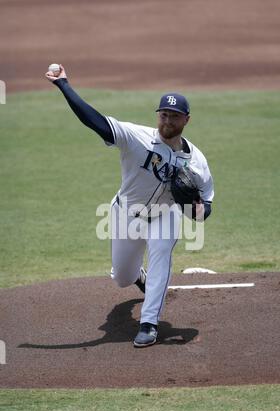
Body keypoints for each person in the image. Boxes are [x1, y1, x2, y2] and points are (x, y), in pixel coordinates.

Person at [45, 64, 214, 348]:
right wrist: (64, 85)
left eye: (174, 116)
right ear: (157, 115)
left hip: (165, 217)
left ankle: (149, 324)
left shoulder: (197, 161)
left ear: (187, 119)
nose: (167, 120)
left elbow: (205, 202)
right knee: (122, 278)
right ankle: (138, 276)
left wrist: (198, 211)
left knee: (162, 255)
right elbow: (94, 121)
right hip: (125, 214)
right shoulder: (136, 137)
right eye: (163, 114)